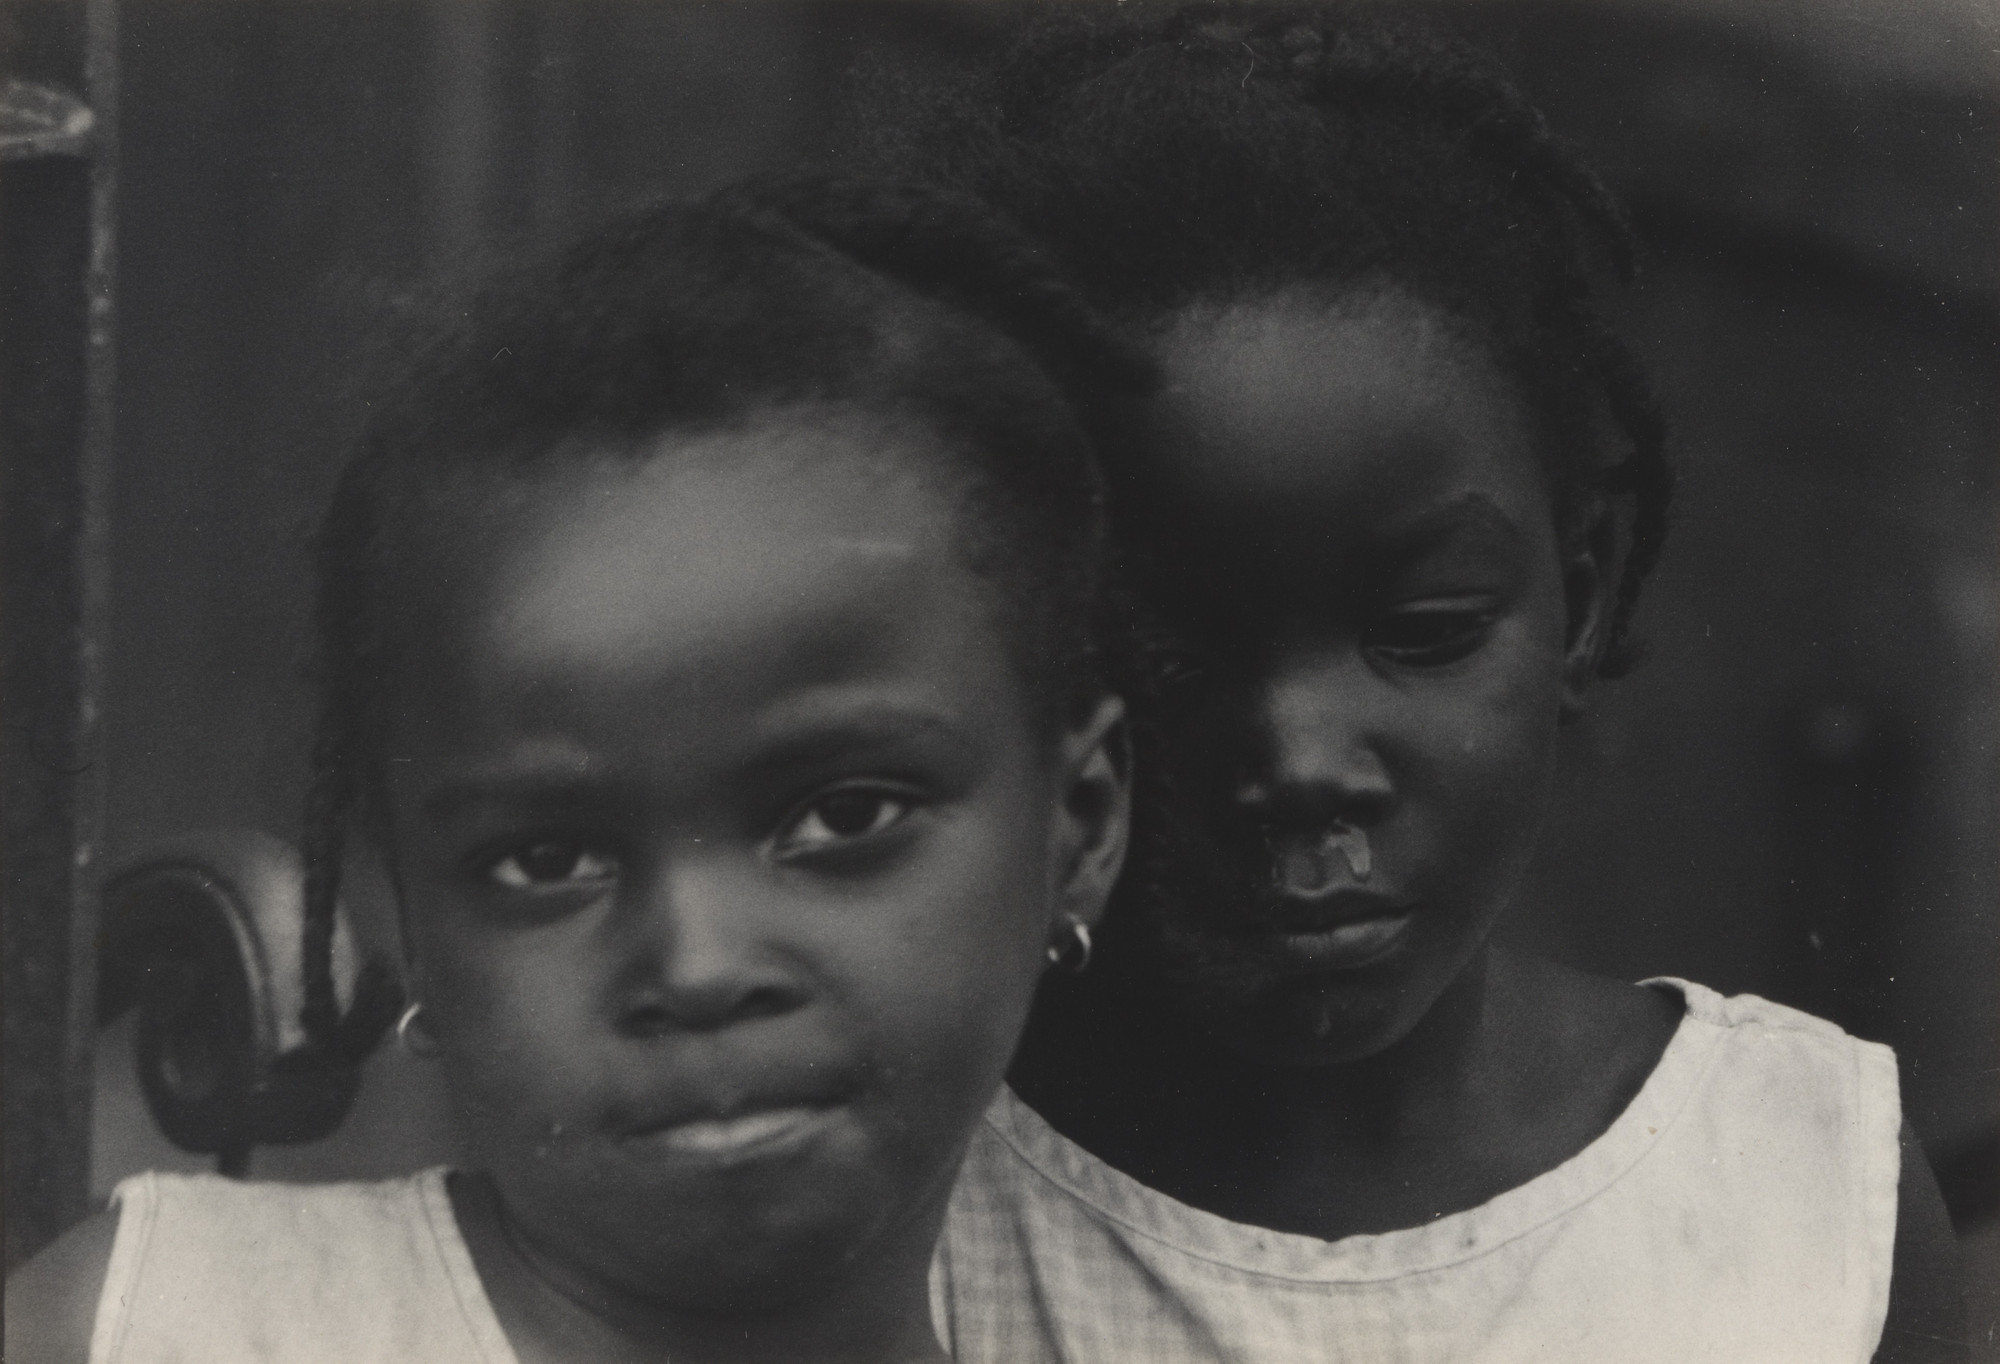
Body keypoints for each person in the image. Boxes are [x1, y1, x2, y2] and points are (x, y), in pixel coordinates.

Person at [858, 7, 1967, 1361]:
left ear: (1588, 593)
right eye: (1169, 649)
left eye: (1427, 629)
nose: (1303, 755)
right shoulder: (892, 1205)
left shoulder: (1799, 1186)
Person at [4, 174, 1140, 1364]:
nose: (697, 965)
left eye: (841, 815)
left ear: (1080, 821)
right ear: (402, 920)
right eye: (547, 858)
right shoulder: (168, 1325)